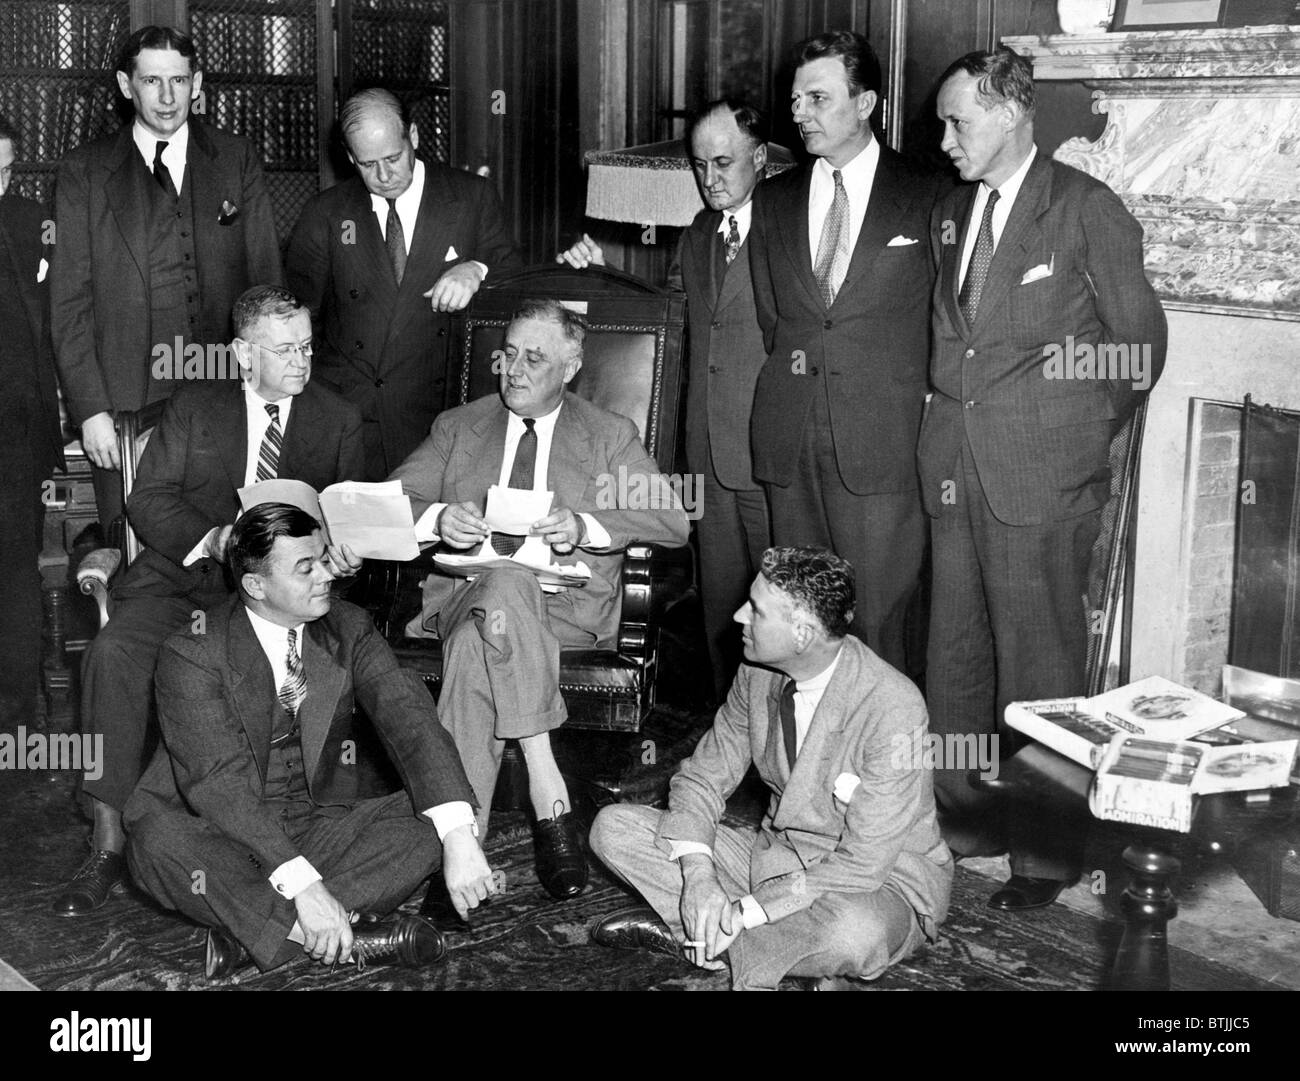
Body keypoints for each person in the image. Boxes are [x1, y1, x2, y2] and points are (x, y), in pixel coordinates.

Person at [919, 47, 1167, 910]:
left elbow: (1138, 353)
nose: (945, 138)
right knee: (952, 665)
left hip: (1042, 481)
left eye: (959, 120)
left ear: (1012, 112)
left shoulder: (1085, 209)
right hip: (952, 473)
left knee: (1040, 671)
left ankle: (1047, 856)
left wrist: (1070, 441)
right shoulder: (954, 213)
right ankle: (961, 822)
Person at [51, 286, 365, 917]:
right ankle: (108, 838)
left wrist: (345, 554)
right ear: (244, 356)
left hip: (276, 597)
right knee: (113, 652)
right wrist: (214, 537)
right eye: (284, 350)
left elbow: (348, 517)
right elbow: (149, 501)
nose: (302, 362)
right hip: (184, 581)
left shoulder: (339, 418)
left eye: (306, 346)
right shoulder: (197, 406)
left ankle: (277, 839)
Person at [389, 298, 689, 899]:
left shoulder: (608, 436)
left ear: (572, 366)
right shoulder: (458, 426)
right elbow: (390, 502)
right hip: (463, 598)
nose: (513, 371)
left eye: (534, 358)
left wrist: (585, 525)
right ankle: (548, 788)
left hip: (565, 615)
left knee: (485, 636)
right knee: (502, 582)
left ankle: (459, 843)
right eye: (506, 355)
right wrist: (438, 517)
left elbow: (674, 521)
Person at [124, 503, 494, 977]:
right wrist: (303, 885)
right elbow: (218, 786)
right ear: (255, 585)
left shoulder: (348, 625)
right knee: (156, 840)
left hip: (319, 821)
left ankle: (261, 930)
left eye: (323, 558)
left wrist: (458, 835)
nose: (326, 575)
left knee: (436, 817)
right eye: (307, 568)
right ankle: (341, 935)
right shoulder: (192, 652)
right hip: (221, 831)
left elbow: (409, 716)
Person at [588, 546, 952, 991]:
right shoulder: (757, 673)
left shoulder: (892, 706)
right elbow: (702, 776)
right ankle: (769, 953)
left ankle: (708, 940)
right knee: (613, 828)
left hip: (876, 882)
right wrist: (700, 875)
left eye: (756, 610)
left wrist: (746, 910)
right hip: (773, 860)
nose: (739, 616)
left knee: (854, 936)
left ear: (801, 634)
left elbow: (863, 863)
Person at [558, 99, 772, 705]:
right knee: (722, 607)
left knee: (778, 604)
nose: (710, 179)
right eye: (700, 165)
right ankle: (725, 730)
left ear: (759, 158)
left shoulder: (789, 228)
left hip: (767, 453)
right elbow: (671, 320)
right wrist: (606, 274)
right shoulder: (700, 233)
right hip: (706, 455)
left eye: (724, 163)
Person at [748, 30, 945, 675]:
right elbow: (775, 320)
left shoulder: (928, 195)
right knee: (794, 626)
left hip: (883, 448)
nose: (799, 112)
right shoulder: (772, 202)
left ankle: (879, 769)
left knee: (880, 621)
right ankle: (800, 767)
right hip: (791, 439)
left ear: (865, 104)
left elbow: (944, 322)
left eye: (818, 97)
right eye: (796, 98)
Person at [50, 25, 283, 532]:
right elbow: (68, 304)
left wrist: (270, 390)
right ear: (125, 84)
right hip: (125, 404)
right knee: (135, 548)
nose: (167, 96)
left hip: (224, 388)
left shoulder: (236, 158)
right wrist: (91, 411)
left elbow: (267, 285)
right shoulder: (84, 172)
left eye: (179, 80)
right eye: (152, 81)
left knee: (232, 544)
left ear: (196, 83)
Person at [287, 88, 524, 481]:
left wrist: (476, 270)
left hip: (439, 413)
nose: (383, 176)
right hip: (353, 415)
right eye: (367, 164)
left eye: (393, 158)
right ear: (350, 158)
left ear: (413, 137)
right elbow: (301, 314)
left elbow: (515, 281)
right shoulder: (326, 213)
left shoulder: (470, 197)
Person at [0, 116, 63, 730]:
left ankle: (14, 717)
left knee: (14, 575)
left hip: (17, 437)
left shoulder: (30, 221)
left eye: (7, 170)